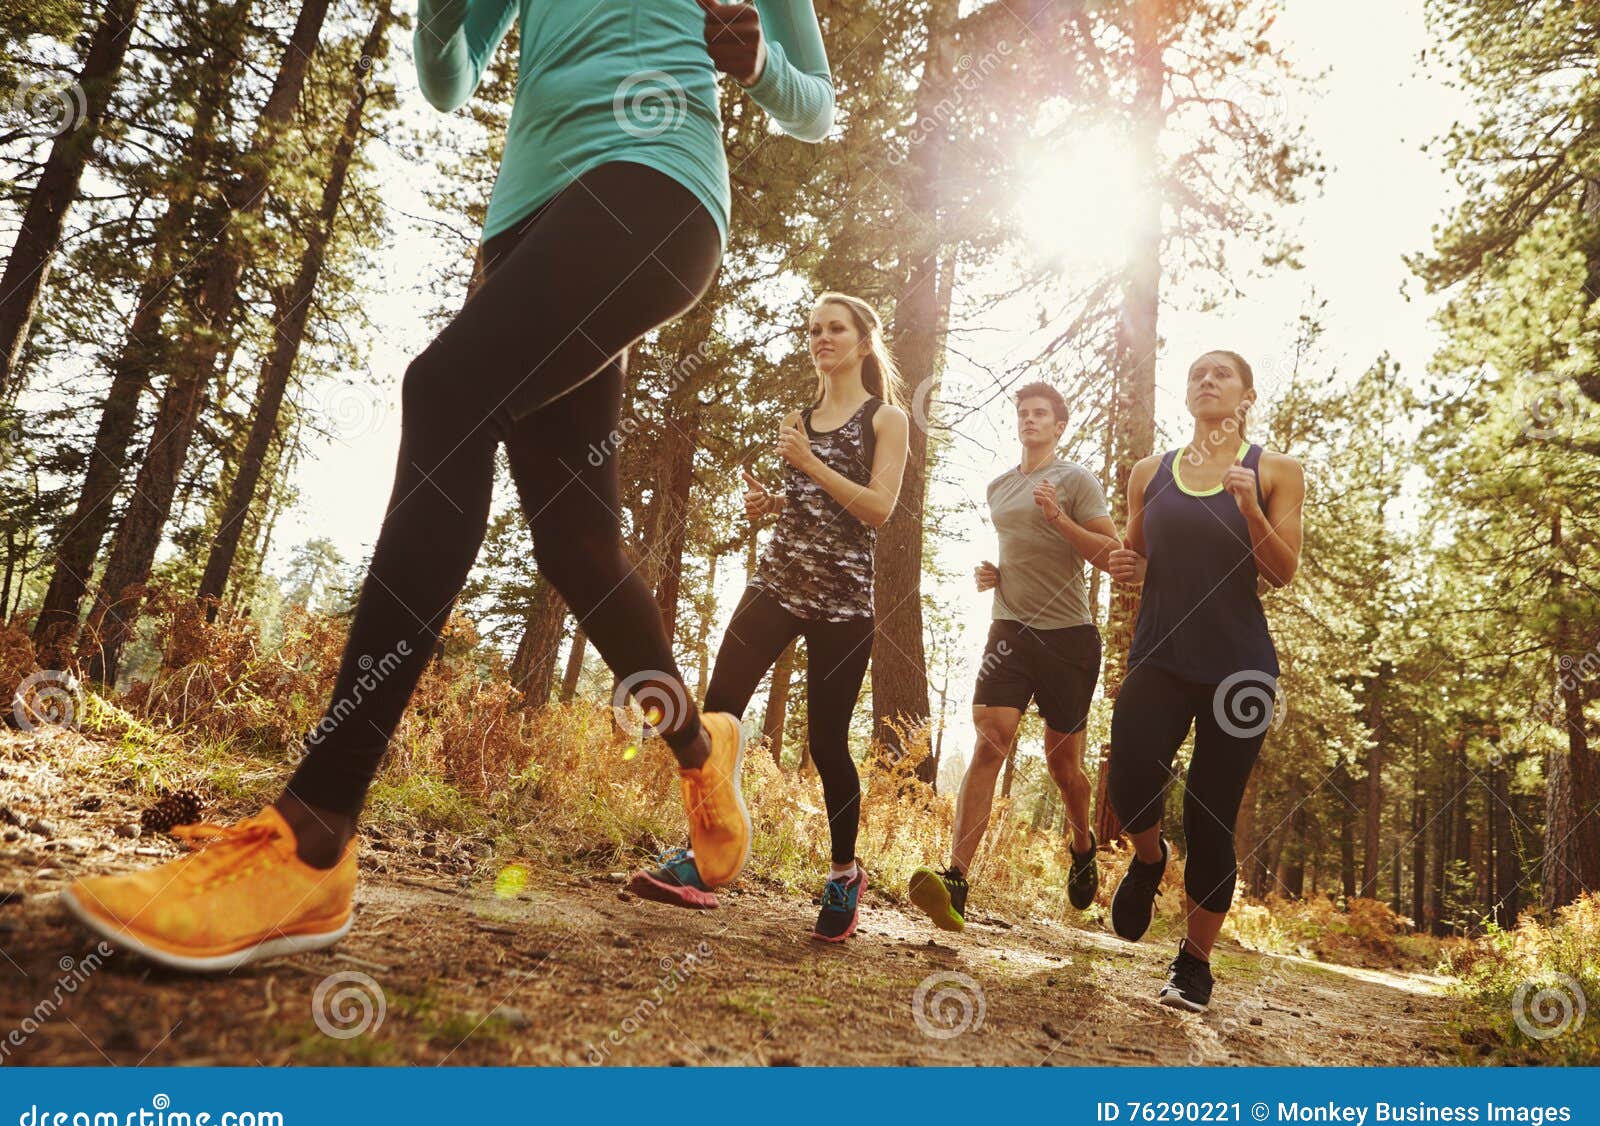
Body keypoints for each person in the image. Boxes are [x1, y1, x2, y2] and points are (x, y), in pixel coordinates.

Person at [61, 1, 836, 972]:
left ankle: (312, 835)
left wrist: (761, 60)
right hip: (520, 226)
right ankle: (699, 745)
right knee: (575, 543)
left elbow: (816, 107)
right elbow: (448, 76)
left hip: (655, 186)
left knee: (445, 392)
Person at [627, 293, 908, 943]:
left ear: (863, 342)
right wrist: (776, 498)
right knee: (719, 713)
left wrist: (807, 465)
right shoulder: (798, 417)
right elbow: (816, 501)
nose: (821, 337)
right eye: (813, 329)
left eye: (835, 327)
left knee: (828, 743)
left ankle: (844, 875)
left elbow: (878, 508)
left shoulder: (886, 420)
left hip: (843, 602)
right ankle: (702, 857)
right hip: (777, 583)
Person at [1105, 350, 1304, 1011]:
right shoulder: (1149, 472)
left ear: (1247, 396)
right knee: (1132, 776)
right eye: (1198, 373)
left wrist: (1249, 513)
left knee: (1210, 815)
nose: (1208, 380)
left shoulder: (1274, 471)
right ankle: (1149, 854)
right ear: (1187, 394)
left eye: (1223, 373)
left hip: (1240, 667)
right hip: (1159, 654)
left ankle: (1193, 964)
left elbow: (1283, 573)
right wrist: (1124, 563)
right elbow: (1134, 553)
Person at [908, 382, 1120, 932]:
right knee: (991, 741)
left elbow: (1110, 555)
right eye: (1023, 413)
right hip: (1011, 631)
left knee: (1062, 765)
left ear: (1059, 425)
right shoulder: (1000, 486)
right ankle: (956, 877)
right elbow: (1023, 552)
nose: (1029, 420)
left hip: (1069, 637)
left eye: (1040, 414)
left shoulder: (1076, 480)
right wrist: (998, 576)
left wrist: (1060, 519)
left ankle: (1081, 843)